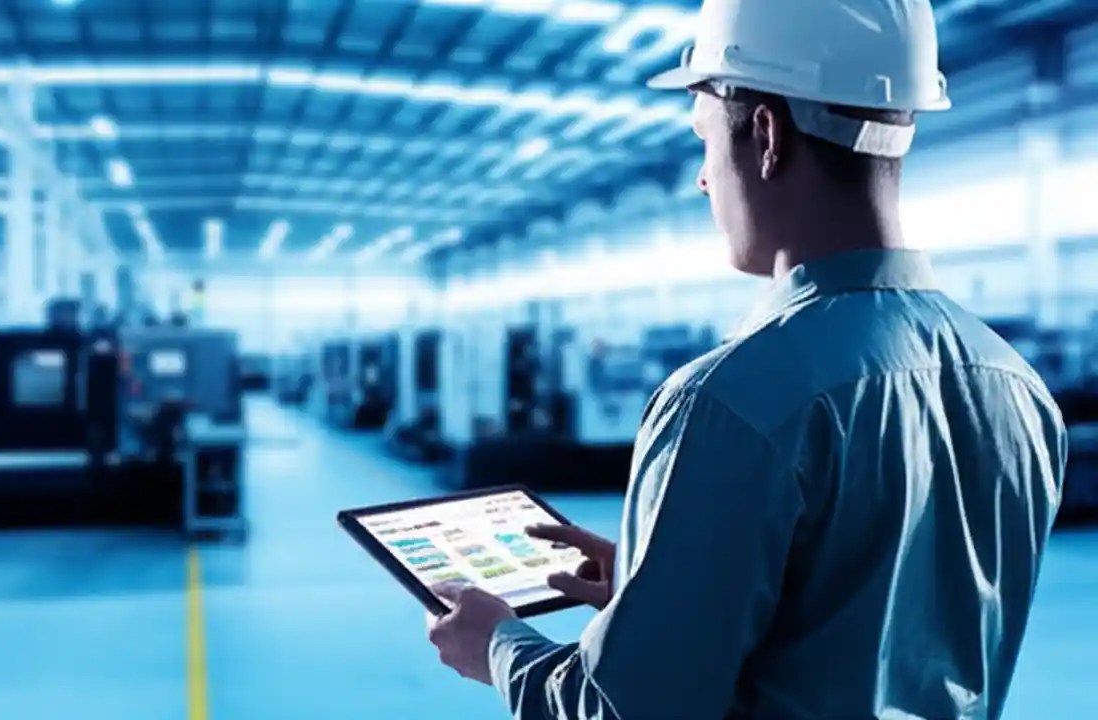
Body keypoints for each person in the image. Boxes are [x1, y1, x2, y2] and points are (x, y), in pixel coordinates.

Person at [425, 0, 1069, 718]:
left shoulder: (730, 401)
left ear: (764, 135)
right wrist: (660, 589)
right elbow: (879, 625)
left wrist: (499, 646)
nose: (703, 179)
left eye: (703, 140)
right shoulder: (1015, 384)